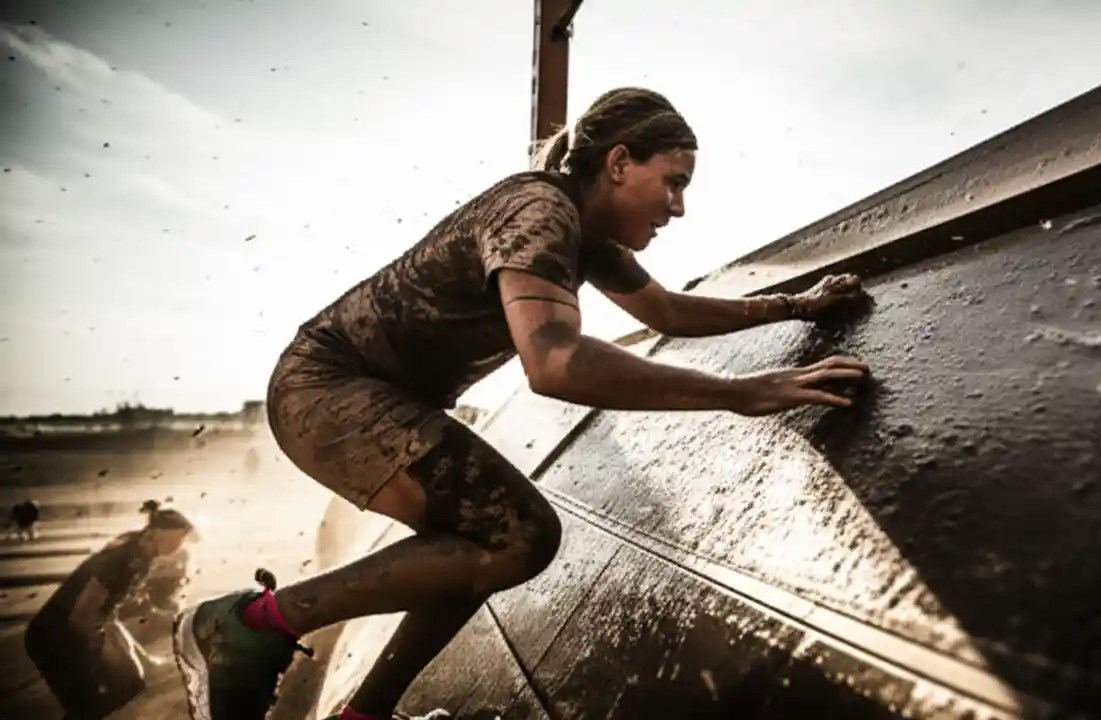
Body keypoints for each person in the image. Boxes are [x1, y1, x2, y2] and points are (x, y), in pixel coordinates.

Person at [173, 87, 871, 720]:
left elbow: (664, 311)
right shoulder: (539, 210)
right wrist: (741, 393)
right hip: (328, 390)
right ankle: (246, 626)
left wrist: (794, 306)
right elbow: (555, 361)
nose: (679, 207)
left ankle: (363, 714)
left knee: (485, 541)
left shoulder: (586, 233)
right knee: (519, 534)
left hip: (362, 395)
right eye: (674, 182)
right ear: (620, 162)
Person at [26, 503, 197, 719]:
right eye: (176, 538)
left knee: (129, 683)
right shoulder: (120, 560)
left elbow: (108, 613)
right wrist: (100, 651)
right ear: (156, 532)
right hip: (53, 636)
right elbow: (82, 616)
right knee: (88, 705)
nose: (179, 546)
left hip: (72, 630)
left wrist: (139, 656)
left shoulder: (140, 553)